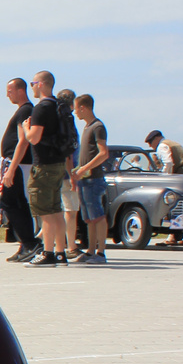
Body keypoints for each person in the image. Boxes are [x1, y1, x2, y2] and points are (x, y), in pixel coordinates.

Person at [12, 70, 72, 265]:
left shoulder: (41, 108)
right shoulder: (58, 106)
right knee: (56, 210)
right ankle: (61, 252)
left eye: (33, 83)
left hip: (44, 165)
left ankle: (47, 252)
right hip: (58, 164)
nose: (32, 87)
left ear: (40, 84)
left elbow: (34, 138)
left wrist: (28, 128)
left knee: (44, 211)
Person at [0, 78, 39, 261]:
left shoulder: (25, 110)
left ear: (21, 90)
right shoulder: (22, 111)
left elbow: (23, 141)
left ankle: (30, 242)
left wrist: (12, 168)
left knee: (11, 202)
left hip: (19, 165)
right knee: (16, 204)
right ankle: (25, 243)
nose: (7, 94)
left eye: (10, 91)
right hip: (15, 164)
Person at [70, 94, 110, 263]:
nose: (75, 112)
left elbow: (103, 153)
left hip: (94, 179)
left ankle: (101, 252)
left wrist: (85, 168)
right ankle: (91, 249)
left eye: (76, 108)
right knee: (89, 218)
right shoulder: (87, 127)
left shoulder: (97, 127)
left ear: (83, 108)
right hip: (84, 180)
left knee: (98, 216)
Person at [55, 89, 80, 250]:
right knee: (71, 210)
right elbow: (68, 151)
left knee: (58, 210)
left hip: (56, 171)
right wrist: (71, 174)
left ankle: (54, 241)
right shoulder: (67, 120)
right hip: (66, 172)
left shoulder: (54, 120)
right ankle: (70, 246)